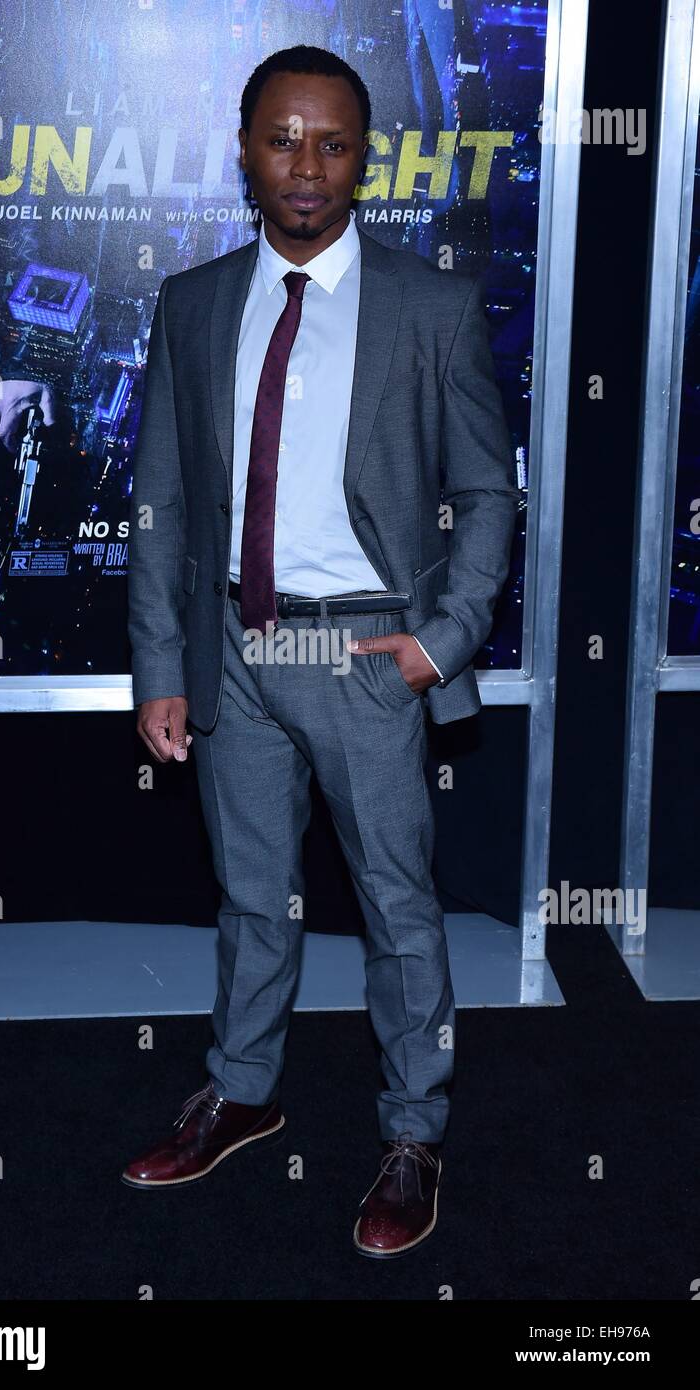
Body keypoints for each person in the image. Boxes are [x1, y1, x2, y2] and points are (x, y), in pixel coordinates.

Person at [123, 44, 521, 1258]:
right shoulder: (191, 303)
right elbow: (163, 501)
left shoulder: (432, 304)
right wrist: (163, 667)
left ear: (363, 160)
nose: (307, 166)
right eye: (283, 138)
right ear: (242, 146)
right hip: (232, 648)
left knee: (397, 906)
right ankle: (241, 1091)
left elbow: (484, 493)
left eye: (333, 143)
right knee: (250, 895)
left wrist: (438, 644)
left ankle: (412, 1130)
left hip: (362, 654)